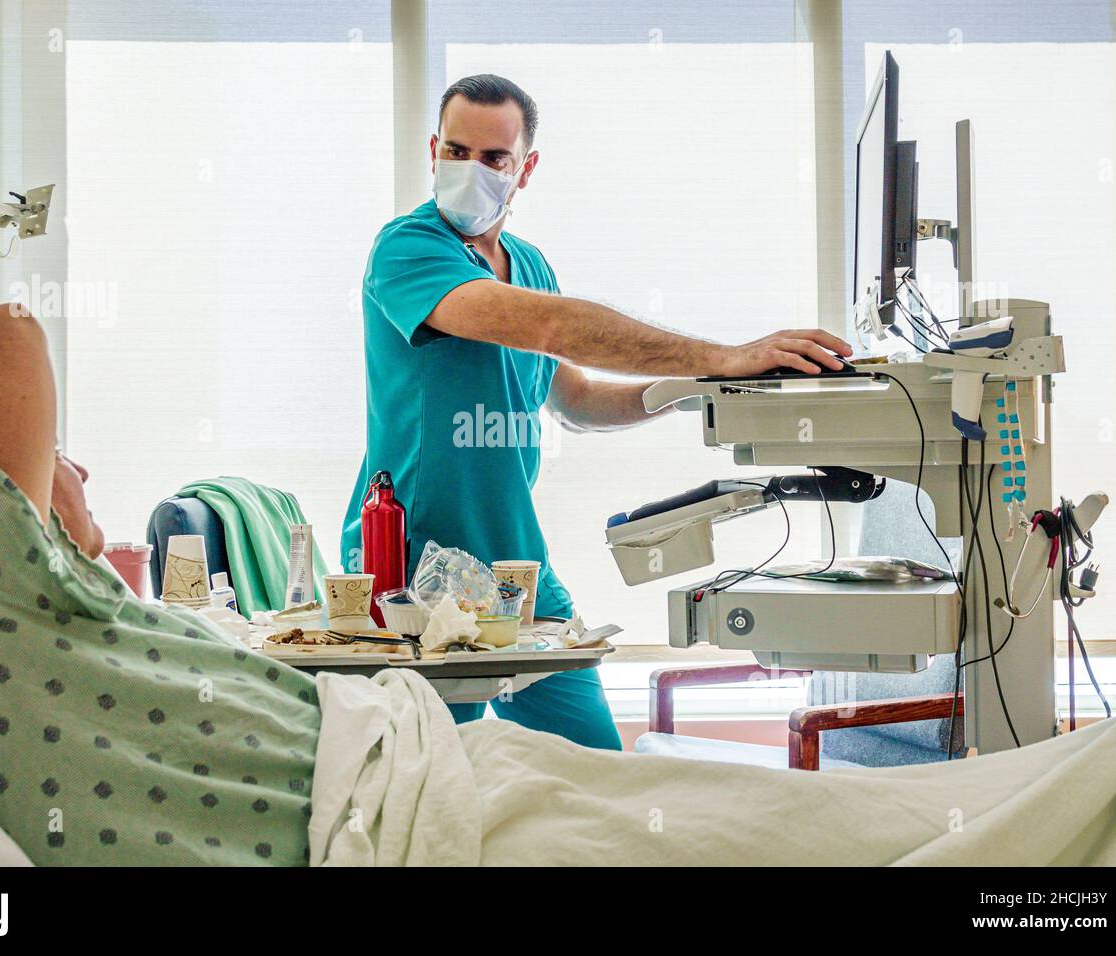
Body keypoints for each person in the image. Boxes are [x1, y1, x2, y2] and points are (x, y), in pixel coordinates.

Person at [341, 74, 851, 749]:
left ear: (525, 169)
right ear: (434, 149)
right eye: (456, 152)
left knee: (600, 770)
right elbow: (555, 330)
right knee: (426, 784)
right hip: (415, 573)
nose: (471, 170)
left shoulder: (530, 264)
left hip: (516, 576)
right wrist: (725, 355)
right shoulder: (409, 249)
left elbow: (575, 398)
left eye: (494, 158)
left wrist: (698, 388)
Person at [0, 305, 319, 865]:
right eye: (50, 453)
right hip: (366, 803)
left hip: (366, 759)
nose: (79, 470)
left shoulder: (21, 597)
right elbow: (6, 335)